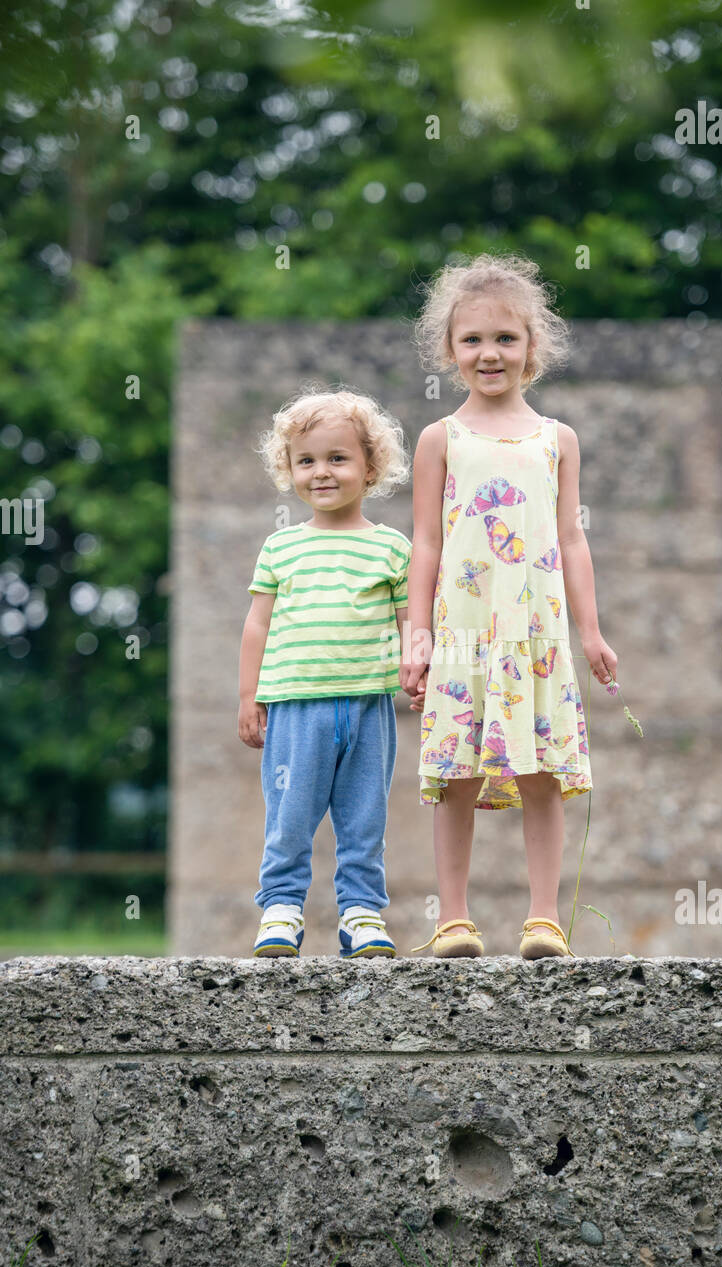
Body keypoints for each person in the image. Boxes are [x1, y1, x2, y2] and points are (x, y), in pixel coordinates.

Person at [401, 253, 617, 961]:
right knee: (456, 772)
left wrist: (589, 632)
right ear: (448, 350)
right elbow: (426, 543)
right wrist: (416, 635)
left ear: (532, 348)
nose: (488, 353)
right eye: (472, 340)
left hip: (536, 633)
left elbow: (570, 538)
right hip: (462, 631)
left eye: (504, 339)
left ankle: (544, 918)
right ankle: (453, 918)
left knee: (540, 772)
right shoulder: (440, 439)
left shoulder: (556, 440)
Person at [239, 386, 411, 959]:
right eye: (306, 460)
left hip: (369, 706)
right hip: (295, 705)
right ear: (289, 470)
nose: (322, 472)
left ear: (370, 467)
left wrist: (422, 669)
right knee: (290, 816)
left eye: (338, 458)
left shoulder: (392, 548)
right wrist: (248, 696)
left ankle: (362, 913)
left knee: (365, 818)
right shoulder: (280, 548)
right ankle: (281, 910)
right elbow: (257, 626)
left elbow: (412, 619)